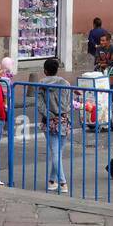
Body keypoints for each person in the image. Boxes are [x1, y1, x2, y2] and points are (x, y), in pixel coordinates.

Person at [38, 57, 71, 193]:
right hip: (63, 120)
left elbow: (40, 104)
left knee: (55, 153)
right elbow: (68, 103)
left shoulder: (41, 84)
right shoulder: (65, 83)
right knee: (58, 153)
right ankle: (54, 181)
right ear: (57, 70)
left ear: (45, 70)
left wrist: (49, 115)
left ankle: (60, 182)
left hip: (49, 121)